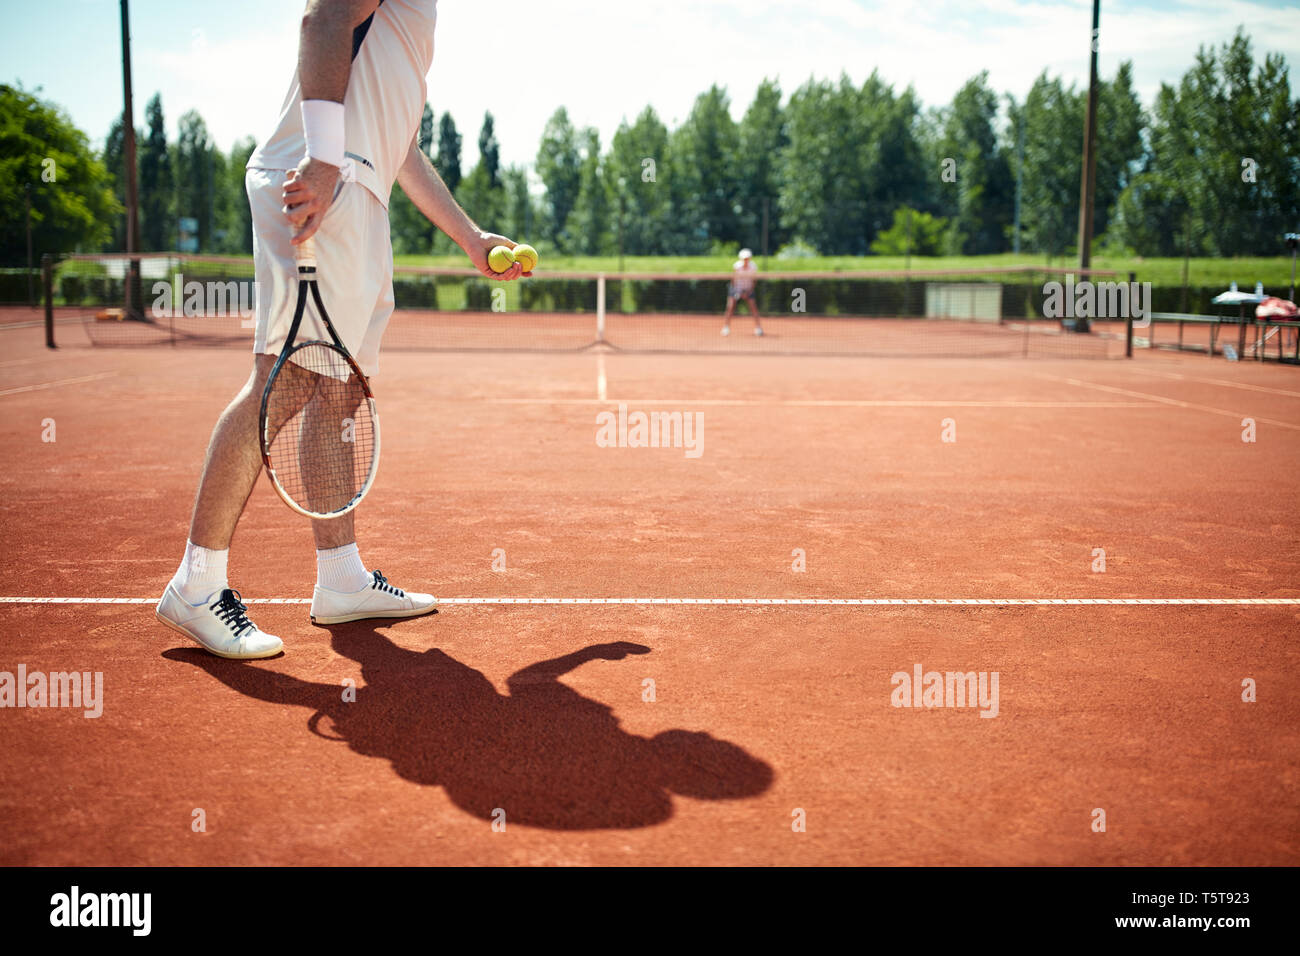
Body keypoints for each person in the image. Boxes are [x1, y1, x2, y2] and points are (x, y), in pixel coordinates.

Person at [156, 0, 525, 659]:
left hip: (353, 183)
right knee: (288, 376)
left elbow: (400, 144)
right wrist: (324, 162)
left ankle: (341, 579)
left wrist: (469, 238)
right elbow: (322, 19)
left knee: (338, 390)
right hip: (325, 178)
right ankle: (196, 583)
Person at [721, 248, 763, 337]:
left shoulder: (753, 267)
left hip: (748, 289)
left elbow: (754, 281)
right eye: (744, 258)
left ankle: (758, 328)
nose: (746, 260)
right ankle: (726, 327)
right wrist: (738, 292)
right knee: (730, 307)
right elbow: (733, 280)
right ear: (741, 258)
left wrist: (748, 291)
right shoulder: (737, 266)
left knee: (753, 307)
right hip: (736, 289)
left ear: (750, 258)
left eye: (747, 258)